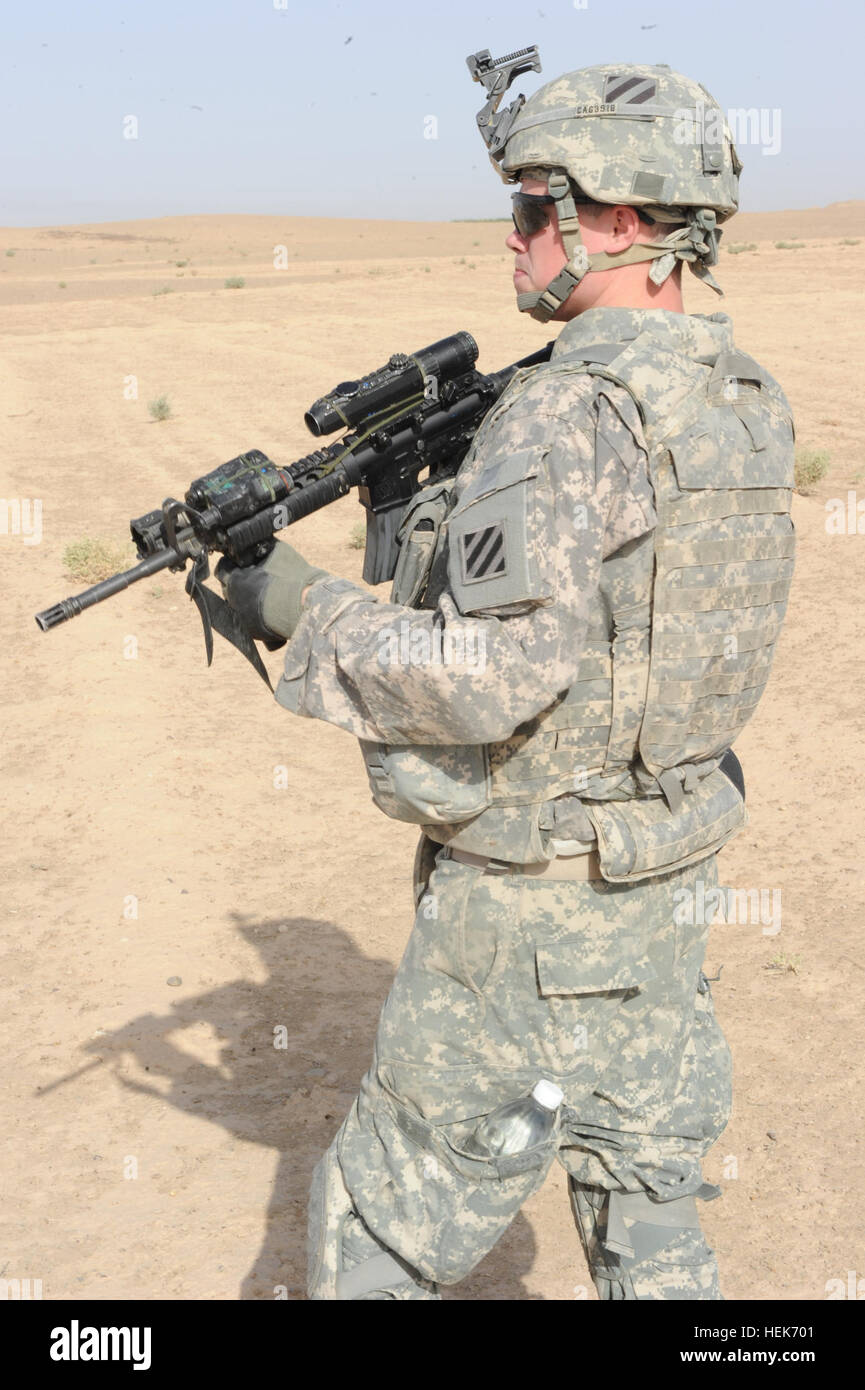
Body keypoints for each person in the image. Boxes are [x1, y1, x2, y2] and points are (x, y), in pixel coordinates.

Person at [217, 59, 796, 1300]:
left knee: (381, 1225)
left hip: (528, 915)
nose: (516, 233)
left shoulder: (566, 414)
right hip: (666, 889)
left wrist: (299, 608)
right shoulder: (740, 397)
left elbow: (486, 679)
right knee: (651, 1227)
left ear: (625, 218)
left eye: (539, 205)